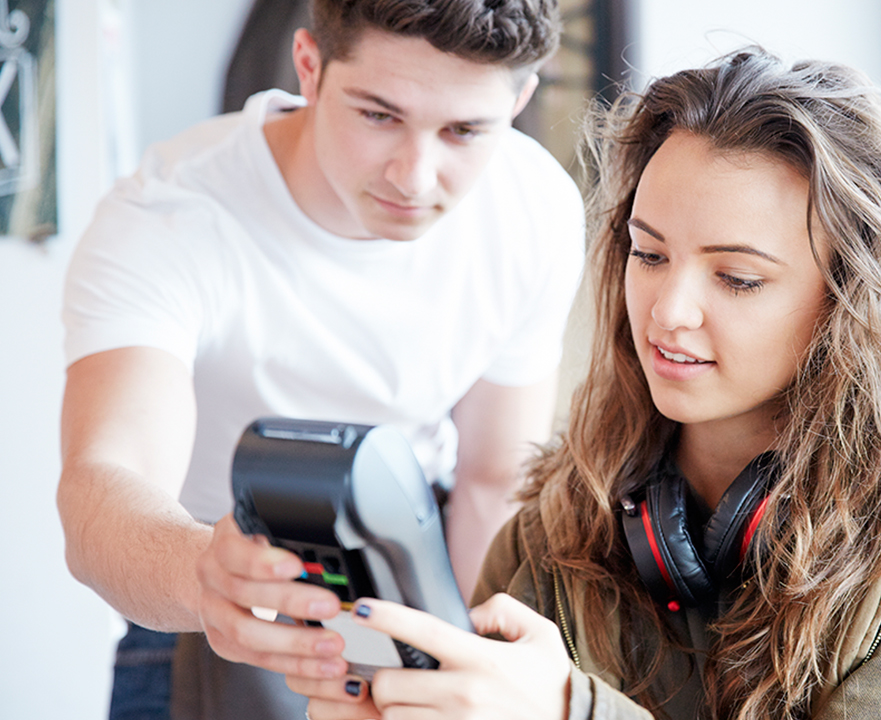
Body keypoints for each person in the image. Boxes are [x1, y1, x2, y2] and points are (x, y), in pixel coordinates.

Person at [285, 49, 881, 720]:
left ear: (852, 304)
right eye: (649, 255)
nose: (668, 311)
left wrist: (571, 712)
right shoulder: (554, 530)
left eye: (737, 278)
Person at [57, 1, 582, 718]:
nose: (415, 176)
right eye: (378, 115)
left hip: (419, 586)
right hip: (207, 603)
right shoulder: (171, 214)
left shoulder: (535, 206)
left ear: (520, 99)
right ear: (308, 67)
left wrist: (451, 664)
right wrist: (205, 574)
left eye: (464, 131)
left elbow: (494, 476)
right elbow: (102, 484)